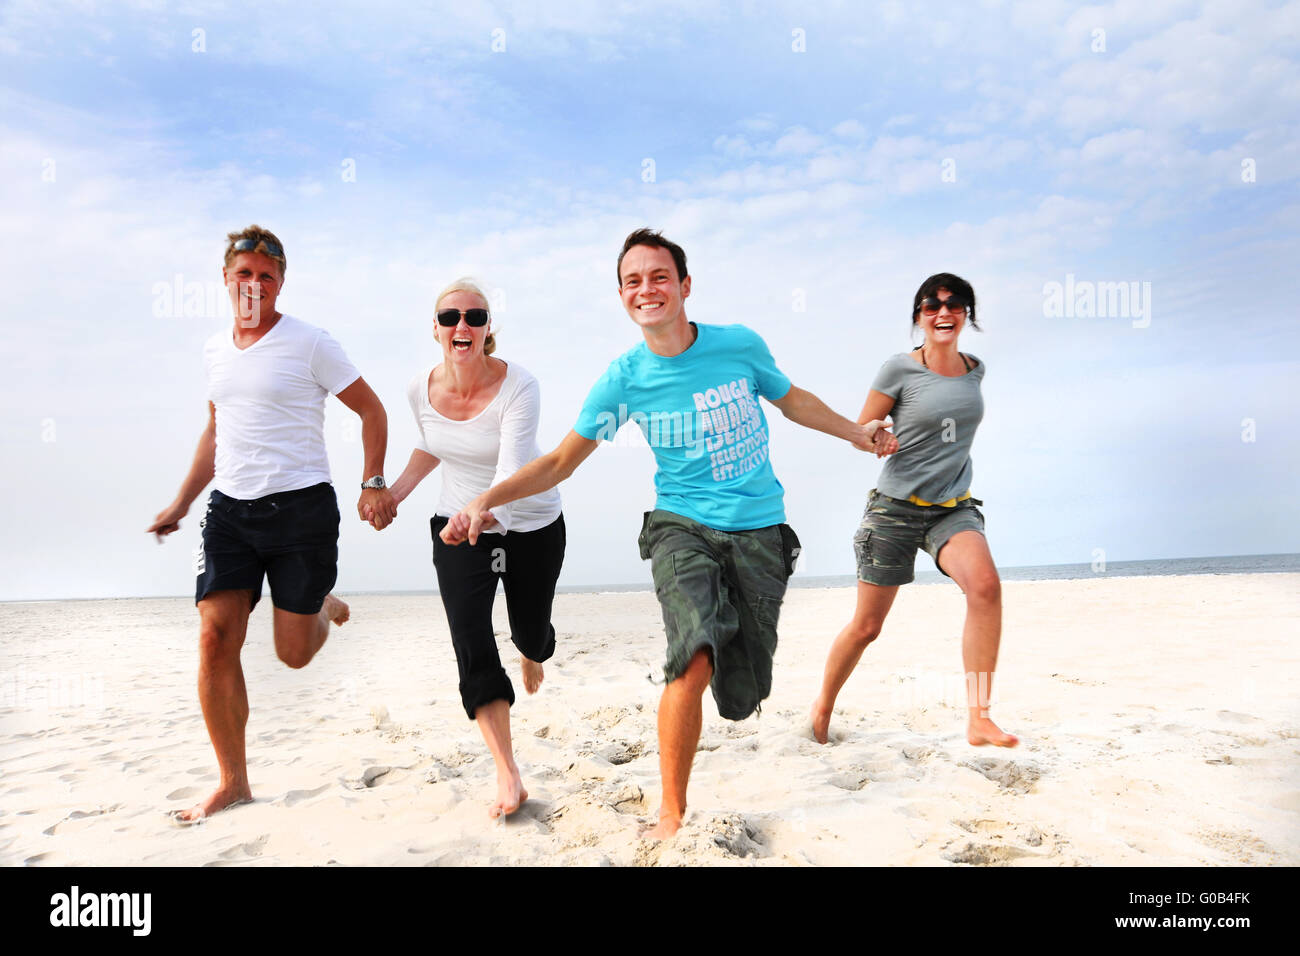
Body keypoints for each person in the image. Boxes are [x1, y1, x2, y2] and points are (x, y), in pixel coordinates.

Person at [441, 228, 898, 839]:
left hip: (760, 532)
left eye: (659, 277)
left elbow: (793, 402)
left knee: (742, 693)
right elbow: (559, 463)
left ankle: (732, 685)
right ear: (623, 296)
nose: (647, 289)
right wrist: (485, 499)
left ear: (684, 286)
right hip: (680, 527)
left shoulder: (738, 346)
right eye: (633, 281)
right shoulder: (624, 380)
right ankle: (671, 812)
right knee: (693, 653)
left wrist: (856, 432)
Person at [147, 225, 397, 822]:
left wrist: (372, 481)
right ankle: (233, 781)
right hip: (230, 514)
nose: (254, 284)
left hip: (301, 512)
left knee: (293, 655)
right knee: (214, 637)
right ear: (226, 280)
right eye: (244, 274)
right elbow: (216, 432)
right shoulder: (213, 350)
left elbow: (371, 409)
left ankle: (318, 609)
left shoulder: (310, 343)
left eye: (266, 275)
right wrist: (182, 502)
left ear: (280, 281)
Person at [365, 279, 565, 820]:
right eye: (451, 316)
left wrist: (477, 514)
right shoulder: (419, 390)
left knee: (531, 633)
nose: (463, 325)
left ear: (487, 329)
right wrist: (393, 495)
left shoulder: (520, 386)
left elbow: (508, 476)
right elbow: (433, 444)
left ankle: (532, 649)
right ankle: (507, 770)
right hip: (455, 523)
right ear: (435, 328)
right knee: (471, 639)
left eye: (475, 317)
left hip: (530, 524)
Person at [810, 273, 1018, 748]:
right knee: (867, 627)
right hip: (894, 512)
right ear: (919, 317)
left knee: (985, 587)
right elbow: (864, 427)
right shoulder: (898, 369)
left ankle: (979, 718)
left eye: (955, 305)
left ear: (967, 314)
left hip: (952, 508)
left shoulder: (975, 369)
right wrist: (876, 435)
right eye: (932, 306)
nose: (944, 313)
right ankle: (823, 705)